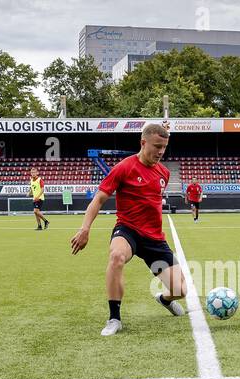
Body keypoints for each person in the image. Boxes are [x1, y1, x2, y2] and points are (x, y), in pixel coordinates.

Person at [70, 122, 186, 336]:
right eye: (156, 146)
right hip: (128, 230)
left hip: (154, 240)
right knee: (116, 257)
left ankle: (164, 299)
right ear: (143, 143)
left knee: (181, 290)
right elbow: (98, 200)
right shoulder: (124, 167)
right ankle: (114, 318)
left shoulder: (163, 173)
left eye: (164, 147)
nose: (161, 152)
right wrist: (85, 229)